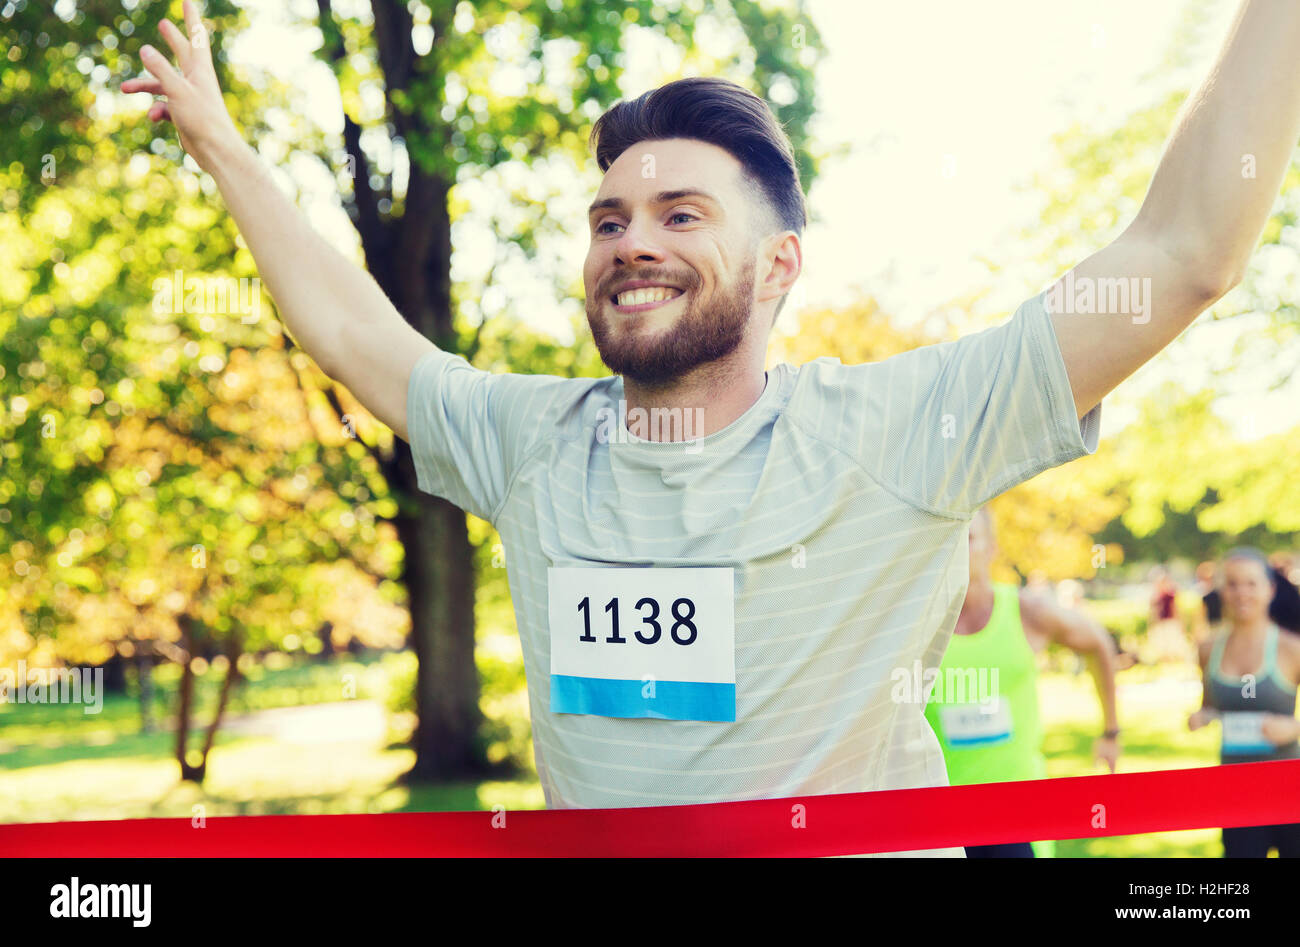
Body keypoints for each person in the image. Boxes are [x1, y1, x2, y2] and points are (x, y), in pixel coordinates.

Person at [123, 1, 1300, 856]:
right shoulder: (530, 444)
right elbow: (351, 325)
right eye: (608, 218)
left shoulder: (904, 428)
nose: (630, 240)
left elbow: (1183, 251)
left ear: (781, 262)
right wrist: (223, 145)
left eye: (681, 213)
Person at [923, 507, 1121, 858]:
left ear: (992, 547)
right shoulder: (917, 626)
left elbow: (1098, 644)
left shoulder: (1027, 612)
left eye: (968, 539)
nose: (957, 550)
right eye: (947, 540)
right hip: (939, 817)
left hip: (1019, 816)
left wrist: (1110, 732)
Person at [1189, 547, 1300, 857]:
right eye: (1232, 583)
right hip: (1236, 795)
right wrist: (1202, 715)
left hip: (1291, 792)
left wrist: (1293, 727)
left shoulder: (1292, 648)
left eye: (1251, 584)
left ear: (1270, 589)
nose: (1241, 593)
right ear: (1221, 589)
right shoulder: (1208, 648)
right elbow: (1209, 703)